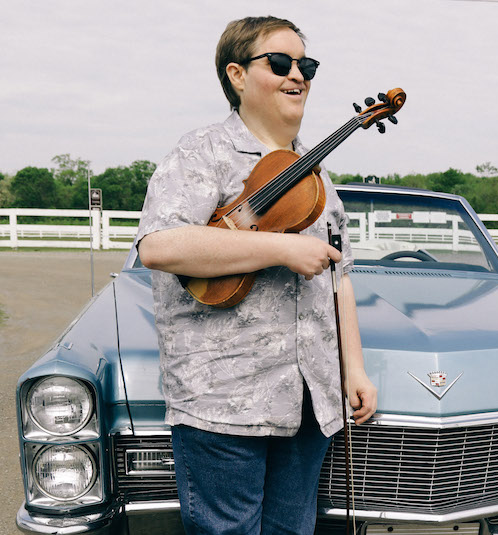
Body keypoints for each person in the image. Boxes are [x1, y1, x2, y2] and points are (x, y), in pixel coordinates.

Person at [135, 15, 377, 535]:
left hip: (310, 398)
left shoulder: (319, 180)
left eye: (306, 65)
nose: (299, 75)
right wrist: (278, 248)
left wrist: (353, 369)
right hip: (224, 399)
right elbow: (159, 246)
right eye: (281, 62)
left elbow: (341, 279)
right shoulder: (202, 153)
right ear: (237, 75)